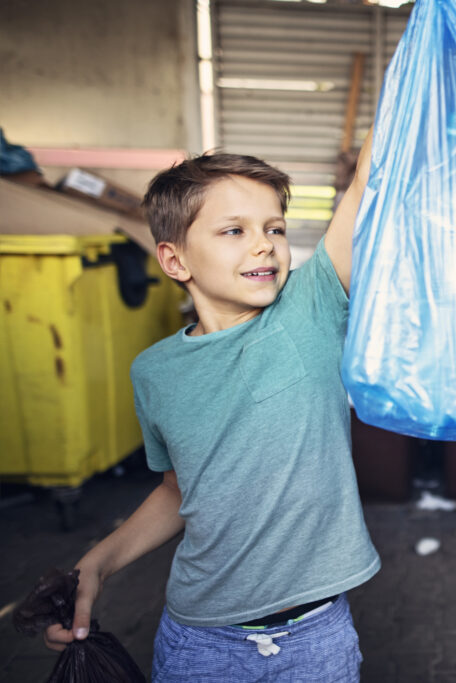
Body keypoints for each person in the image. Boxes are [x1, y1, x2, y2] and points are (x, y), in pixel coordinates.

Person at [42, 139, 378, 681]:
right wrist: (96, 566)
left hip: (317, 637)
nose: (264, 246)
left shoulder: (310, 308)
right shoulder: (155, 373)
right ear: (176, 260)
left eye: (274, 228)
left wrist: (422, 53)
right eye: (234, 231)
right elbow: (180, 489)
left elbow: (367, 180)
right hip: (199, 642)